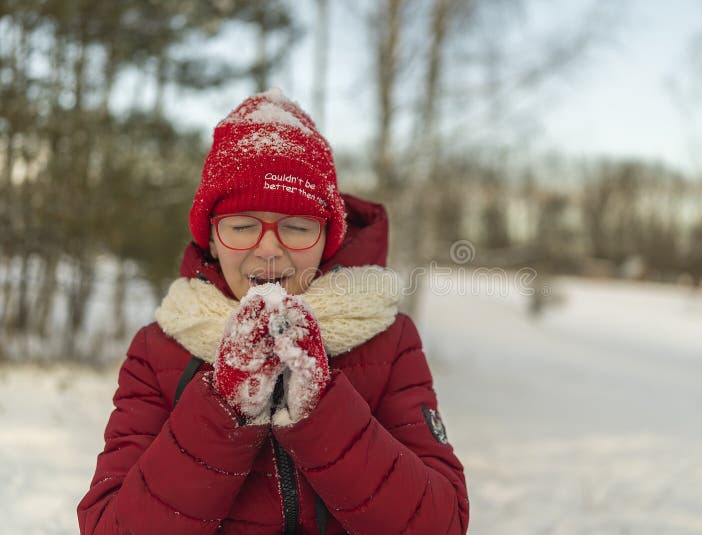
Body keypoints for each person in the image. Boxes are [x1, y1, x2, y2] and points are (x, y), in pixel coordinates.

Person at [77, 89, 469, 534]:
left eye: (297, 227)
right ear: (211, 237)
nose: (268, 249)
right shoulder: (159, 349)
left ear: (328, 239)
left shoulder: (386, 337)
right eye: (242, 226)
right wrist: (221, 410)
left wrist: (321, 412)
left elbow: (443, 523)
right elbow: (108, 527)